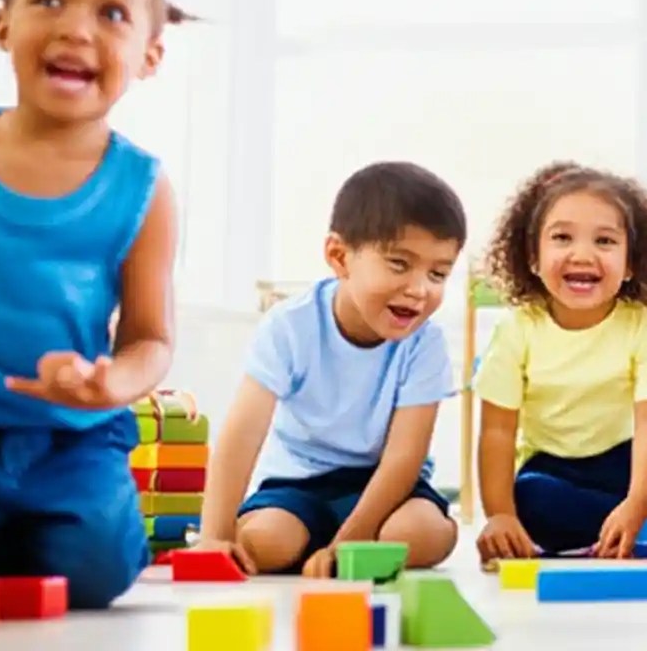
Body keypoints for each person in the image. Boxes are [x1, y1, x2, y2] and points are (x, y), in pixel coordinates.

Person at [0, 0, 187, 609]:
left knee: (95, 570)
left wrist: (111, 384)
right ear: (4, 25)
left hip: (71, 441)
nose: (75, 28)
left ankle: (39, 535)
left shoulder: (144, 189)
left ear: (149, 55)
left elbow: (150, 336)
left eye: (111, 13)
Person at [196, 162, 464, 578]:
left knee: (424, 533)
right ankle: (311, 541)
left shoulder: (426, 342)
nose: (419, 289)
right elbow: (242, 433)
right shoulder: (290, 326)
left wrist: (351, 540)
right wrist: (215, 535)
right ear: (339, 257)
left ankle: (334, 546)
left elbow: (403, 458)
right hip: (300, 485)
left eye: (438, 273)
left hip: (389, 491)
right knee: (262, 544)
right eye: (399, 264)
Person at [474, 161, 647, 562]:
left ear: (632, 263)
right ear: (533, 257)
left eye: (605, 241)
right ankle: (614, 533)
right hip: (552, 471)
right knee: (531, 496)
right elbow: (497, 432)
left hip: (627, 470)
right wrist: (500, 515)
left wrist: (637, 505)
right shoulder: (517, 330)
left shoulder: (646, 326)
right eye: (562, 237)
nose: (582, 254)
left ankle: (631, 526)